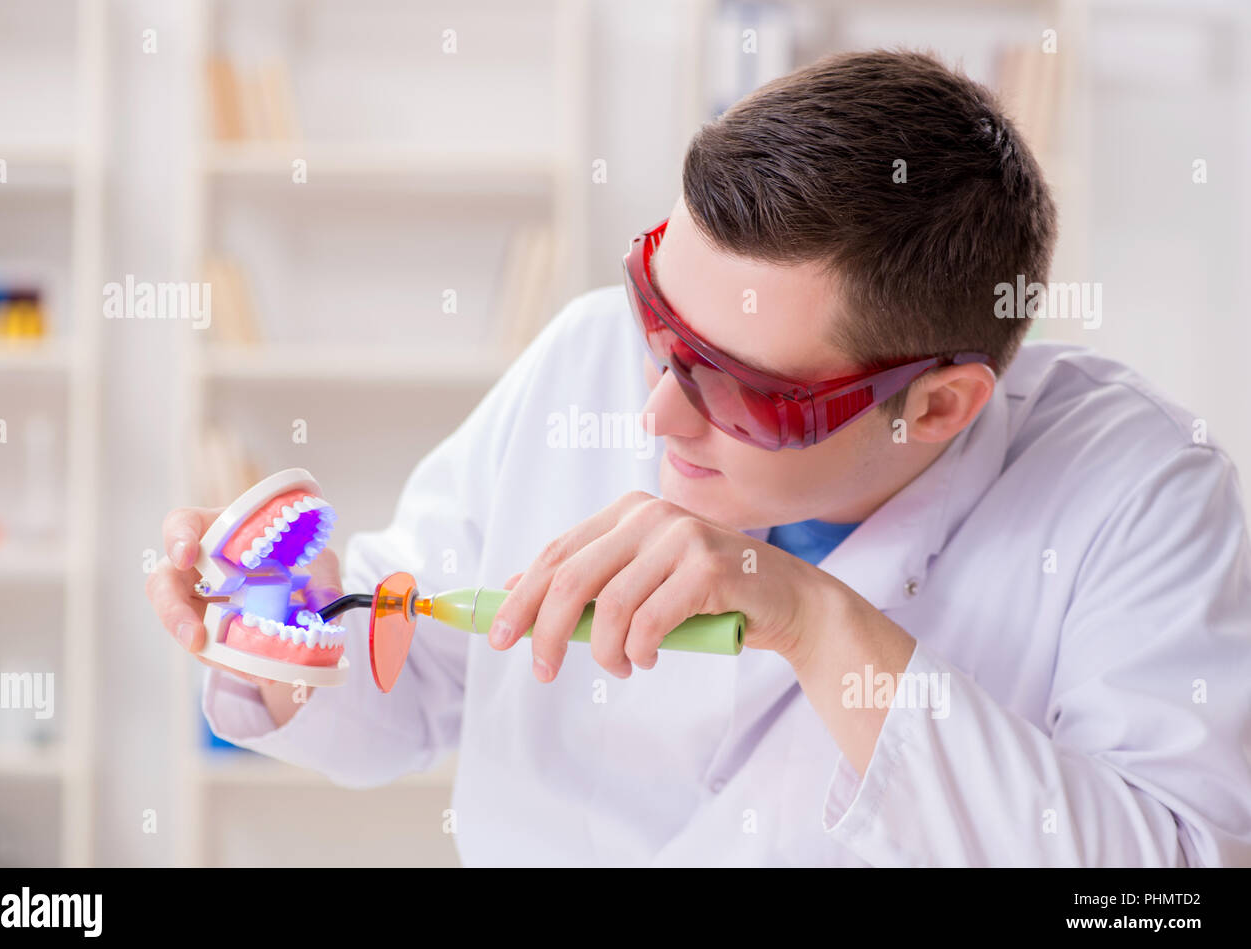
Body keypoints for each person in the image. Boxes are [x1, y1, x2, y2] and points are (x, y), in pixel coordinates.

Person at [146, 50, 1251, 865]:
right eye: (657, 321)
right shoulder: (584, 354)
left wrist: (815, 622)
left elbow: (1171, 880)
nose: (656, 411)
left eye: (737, 388)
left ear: (938, 404)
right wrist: (283, 639)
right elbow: (411, 677)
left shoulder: (1135, 490)